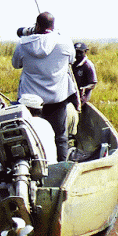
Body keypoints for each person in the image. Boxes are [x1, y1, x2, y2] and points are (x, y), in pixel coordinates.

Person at [12, 12, 77, 161]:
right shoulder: (65, 42)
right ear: (53, 26)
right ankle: (61, 166)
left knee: (27, 134)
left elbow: (16, 64)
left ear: (37, 26)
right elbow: (71, 60)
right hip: (57, 98)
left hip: (30, 100)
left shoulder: (23, 44)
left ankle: (29, 165)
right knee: (60, 136)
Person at [70, 42, 98, 110]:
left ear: (85, 52)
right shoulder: (72, 64)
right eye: (76, 52)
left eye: (80, 52)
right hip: (72, 94)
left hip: (83, 97)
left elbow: (93, 83)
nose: (78, 55)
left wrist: (84, 89)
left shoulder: (88, 65)